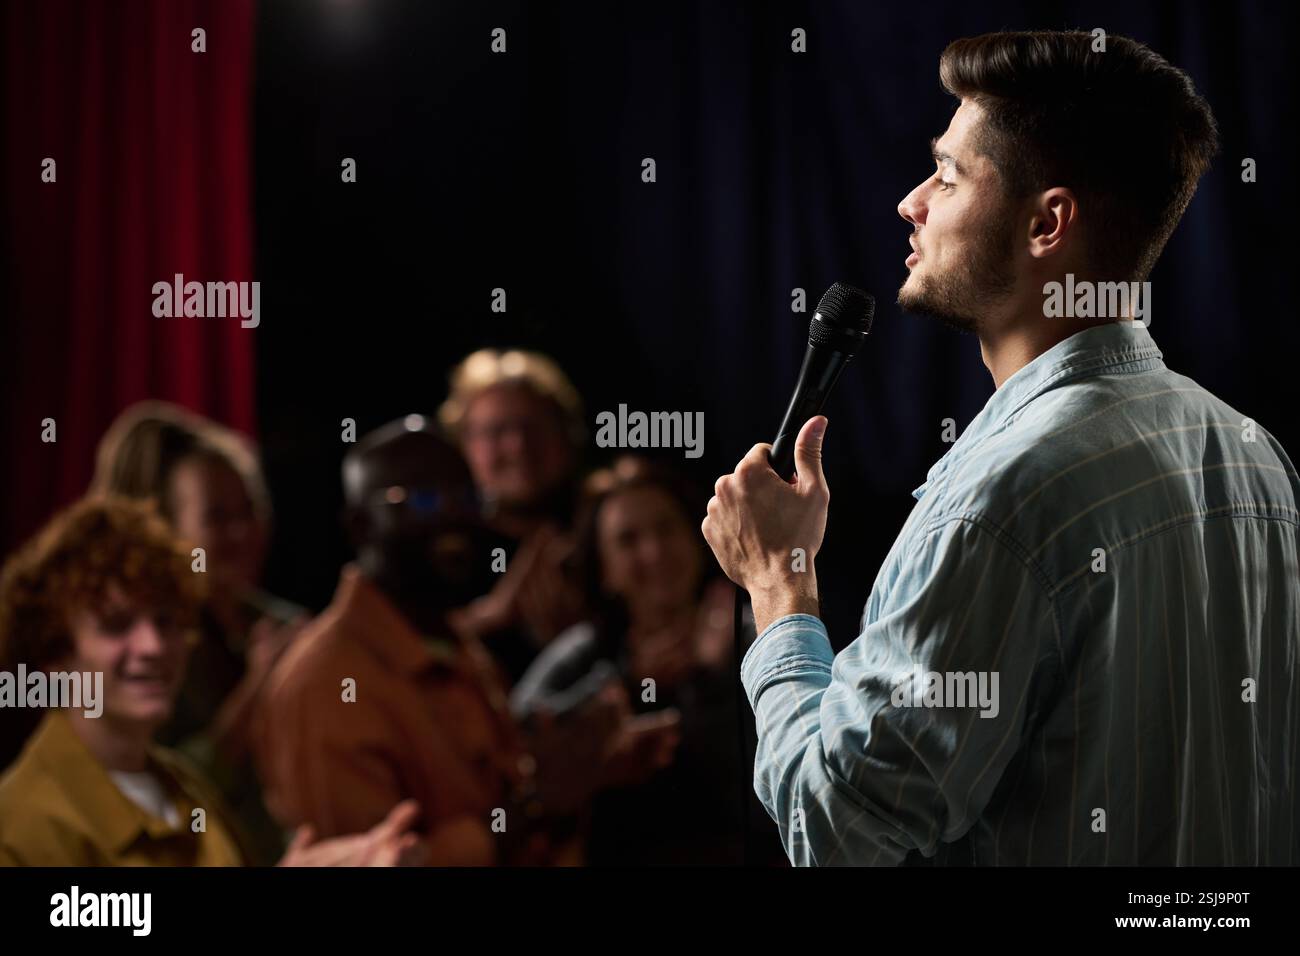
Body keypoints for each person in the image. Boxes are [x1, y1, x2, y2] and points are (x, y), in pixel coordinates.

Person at [703, 30, 1299, 865]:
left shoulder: (1001, 503)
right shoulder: (1255, 458)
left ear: (1048, 223)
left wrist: (778, 583)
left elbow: (836, 826)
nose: (912, 201)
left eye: (947, 175)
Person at [255, 416, 679, 865]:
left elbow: (504, 803)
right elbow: (375, 860)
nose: (453, 519)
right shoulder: (326, 684)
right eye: (423, 501)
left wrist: (584, 768)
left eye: (467, 498)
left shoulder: (447, 639)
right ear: (361, 527)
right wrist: (536, 805)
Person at [0, 496, 422, 866]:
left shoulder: (181, 785)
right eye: (116, 625)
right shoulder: (23, 825)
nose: (153, 645)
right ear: (53, 654)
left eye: (167, 621)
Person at [511, 457, 779, 865]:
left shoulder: (757, 635)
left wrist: (709, 680)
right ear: (604, 569)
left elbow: (777, 788)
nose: (654, 552)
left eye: (666, 529)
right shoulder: (587, 651)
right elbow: (519, 739)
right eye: (628, 540)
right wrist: (627, 682)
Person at [90, 401, 304, 864]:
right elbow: (150, 788)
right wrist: (254, 695)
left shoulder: (284, 625)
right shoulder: (138, 652)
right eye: (217, 518)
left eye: (250, 510)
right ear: (168, 531)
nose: (242, 532)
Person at [439, 349, 588, 683]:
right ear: (464, 445)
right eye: (495, 431)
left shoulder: (606, 522)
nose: (518, 445)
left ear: (566, 434)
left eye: (533, 426)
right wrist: (491, 616)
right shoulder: (441, 544)